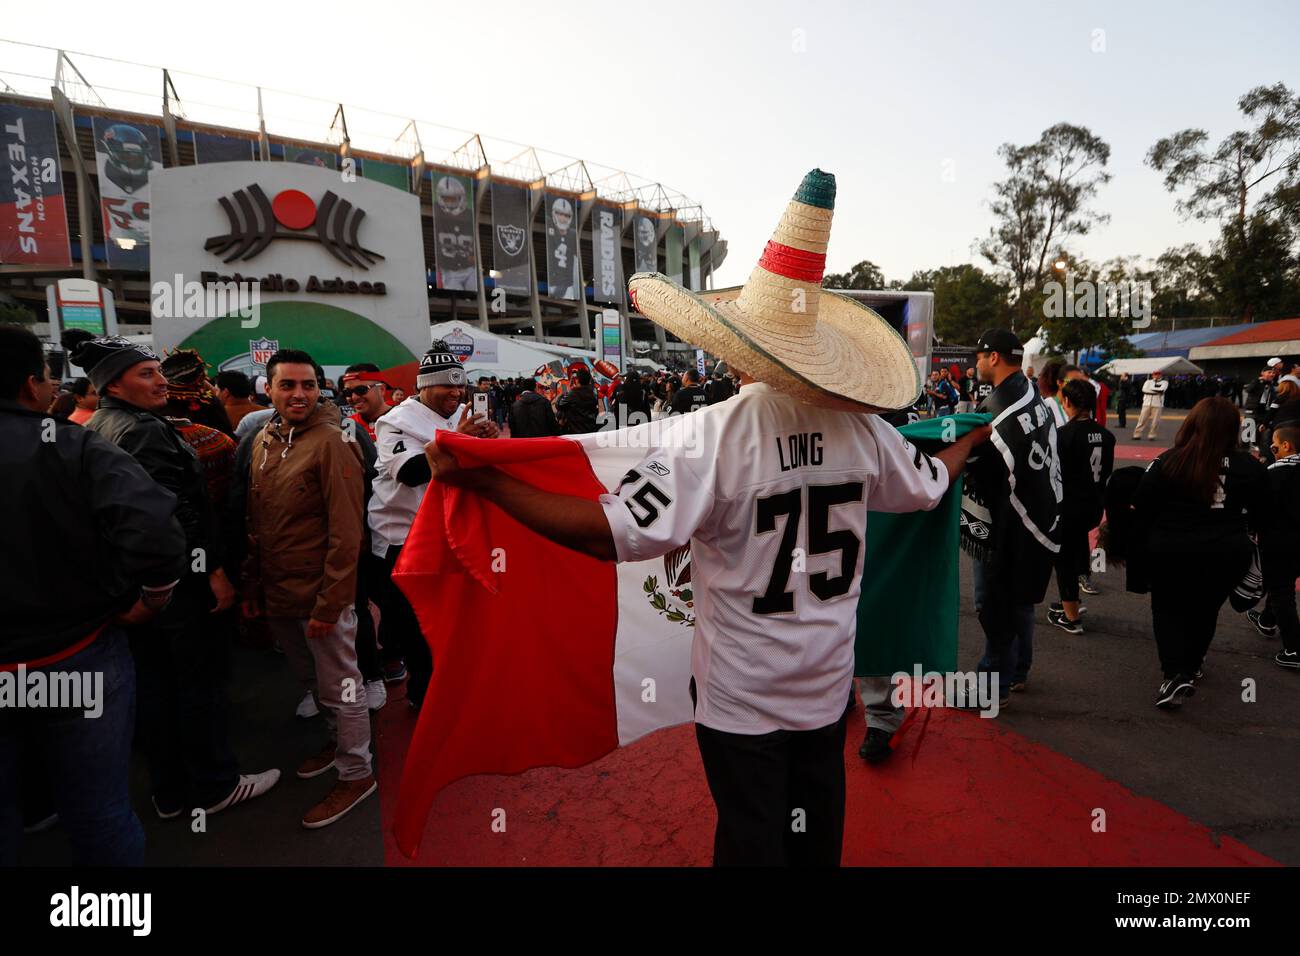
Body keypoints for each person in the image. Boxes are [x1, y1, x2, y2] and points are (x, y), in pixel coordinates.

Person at [422, 169, 987, 866]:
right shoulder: (865, 433)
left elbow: (611, 534)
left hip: (740, 698)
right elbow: (931, 485)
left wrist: (488, 485)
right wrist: (969, 436)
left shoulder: (709, 435)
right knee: (814, 843)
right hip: (824, 689)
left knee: (749, 844)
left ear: (735, 341)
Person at [0, 325, 188, 866]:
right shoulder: (70, 443)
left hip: (63, 653)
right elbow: (156, 532)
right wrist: (152, 598)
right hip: (76, 657)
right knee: (99, 810)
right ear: (33, 384)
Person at [74, 335, 279, 820]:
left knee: (157, 686)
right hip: (175, 586)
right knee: (196, 683)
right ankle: (214, 785)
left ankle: (170, 791)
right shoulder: (143, 431)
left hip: (138, 585)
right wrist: (209, 572)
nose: (160, 380)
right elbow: (172, 515)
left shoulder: (99, 425)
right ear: (114, 384)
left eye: (157, 372)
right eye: (146, 374)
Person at [241, 349, 375, 827]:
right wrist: (255, 587)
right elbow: (257, 519)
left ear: (320, 388)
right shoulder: (264, 437)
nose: (299, 394)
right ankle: (337, 745)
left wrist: (332, 602)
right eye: (288, 385)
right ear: (269, 389)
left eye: (308, 385)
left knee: (342, 686)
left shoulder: (334, 439)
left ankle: (357, 773)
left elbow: (347, 532)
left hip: (321, 595)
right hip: (279, 591)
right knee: (312, 683)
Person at [369, 348, 499, 711]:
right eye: (446, 386)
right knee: (416, 626)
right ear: (425, 387)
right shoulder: (397, 420)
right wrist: (455, 441)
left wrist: (483, 441)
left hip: (450, 531)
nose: (456, 393)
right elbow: (411, 473)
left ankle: (450, 684)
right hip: (405, 537)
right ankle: (423, 699)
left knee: (454, 619)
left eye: (460, 386)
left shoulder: (460, 414)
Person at [1132, 398, 1266, 708]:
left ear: (1193, 424)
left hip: (1172, 550)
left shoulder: (1168, 462)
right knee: (1206, 610)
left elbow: (1142, 507)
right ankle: (1191, 666)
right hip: (1226, 551)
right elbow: (1263, 513)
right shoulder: (1251, 467)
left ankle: (1174, 673)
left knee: (1166, 609)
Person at [967, 329, 1061, 700]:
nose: (975, 363)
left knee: (992, 600)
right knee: (1019, 599)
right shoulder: (1029, 393)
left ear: (993, 357)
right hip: (1039, 516)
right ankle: (1017, 670)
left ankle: (994, 682)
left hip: (1007, 525)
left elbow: (987, 469)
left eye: (978, 356)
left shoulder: (1001, 412)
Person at [1047, 379, 1114, 634]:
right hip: (1093, 505)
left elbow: (1056, 475)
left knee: (1064, 560)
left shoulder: (1064, 435)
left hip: (1070, 507)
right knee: (1076, 551)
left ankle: (1071, 617)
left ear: (1067, 402)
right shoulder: (1106, 436)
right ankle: (1071, 601)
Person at [1261, 423, 1300, 669]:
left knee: (1281, 589)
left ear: (1285, 445)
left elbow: (1262, 507)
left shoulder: (1276, 472)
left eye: (1274, 443)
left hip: (1282, 539)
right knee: (1282, 582)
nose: (1272, 447)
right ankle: (1266, 619)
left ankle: (1295, 649)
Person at [339, 363, 392, 441]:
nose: (354, 397)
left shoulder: (403, 419)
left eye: (361, 390)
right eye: (348, 392)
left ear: (381, 389)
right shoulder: (349, 425)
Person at [555, 368, 601, 434]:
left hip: (576, 431)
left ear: (577, 380)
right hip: (591, 429)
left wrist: (567, 391)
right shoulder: (593, 393)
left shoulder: (573, 393)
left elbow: (559, 405)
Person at [1133, 370, 1168, 440]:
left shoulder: (1164, 382)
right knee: (1142, 420)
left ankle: (1152, 435)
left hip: (1158, 404)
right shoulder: (1148, 382)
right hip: (1146, 403)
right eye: (1155, 374)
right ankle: (1137, 434)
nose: (1157, 375)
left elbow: (1162, 389)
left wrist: (1151, 390)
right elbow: (1144, 390)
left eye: (1158, 374)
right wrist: (1157, 391)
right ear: (1152, 375)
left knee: (1155, 421)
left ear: (1161, 375)